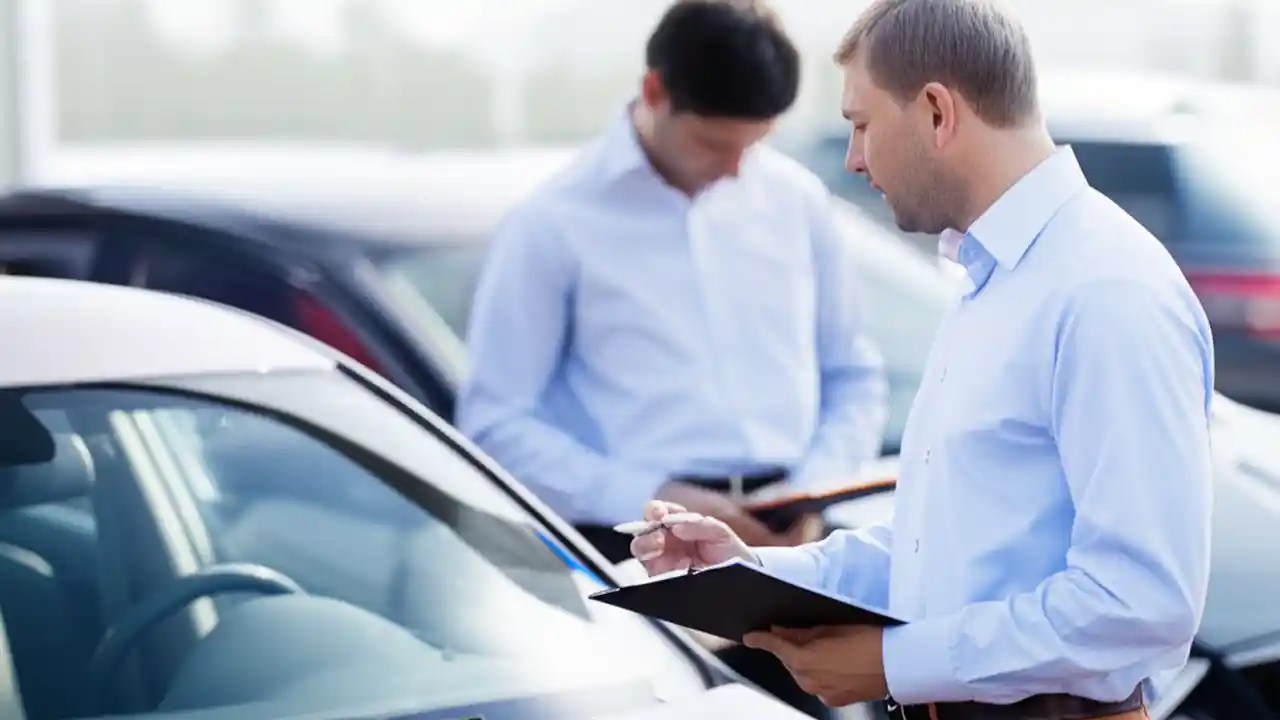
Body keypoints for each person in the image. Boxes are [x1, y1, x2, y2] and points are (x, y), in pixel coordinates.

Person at [629, 1, 1215, 718]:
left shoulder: (1106, 291)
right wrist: (749, 571)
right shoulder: (995, 279)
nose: (852, 157)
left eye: (862, 124)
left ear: (937, 112)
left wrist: (891, 663)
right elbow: (947, 551)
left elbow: (1137, 604)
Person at [458, 0, 888, 561]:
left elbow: (854, 376)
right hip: (633, 550)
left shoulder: (798, 202)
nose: (737, 168)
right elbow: (495, 424)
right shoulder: (552, 222)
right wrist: (648, 497)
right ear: (654, 92)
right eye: (715, 145)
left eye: (753, 145)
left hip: (796, 538)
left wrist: (812, 491)